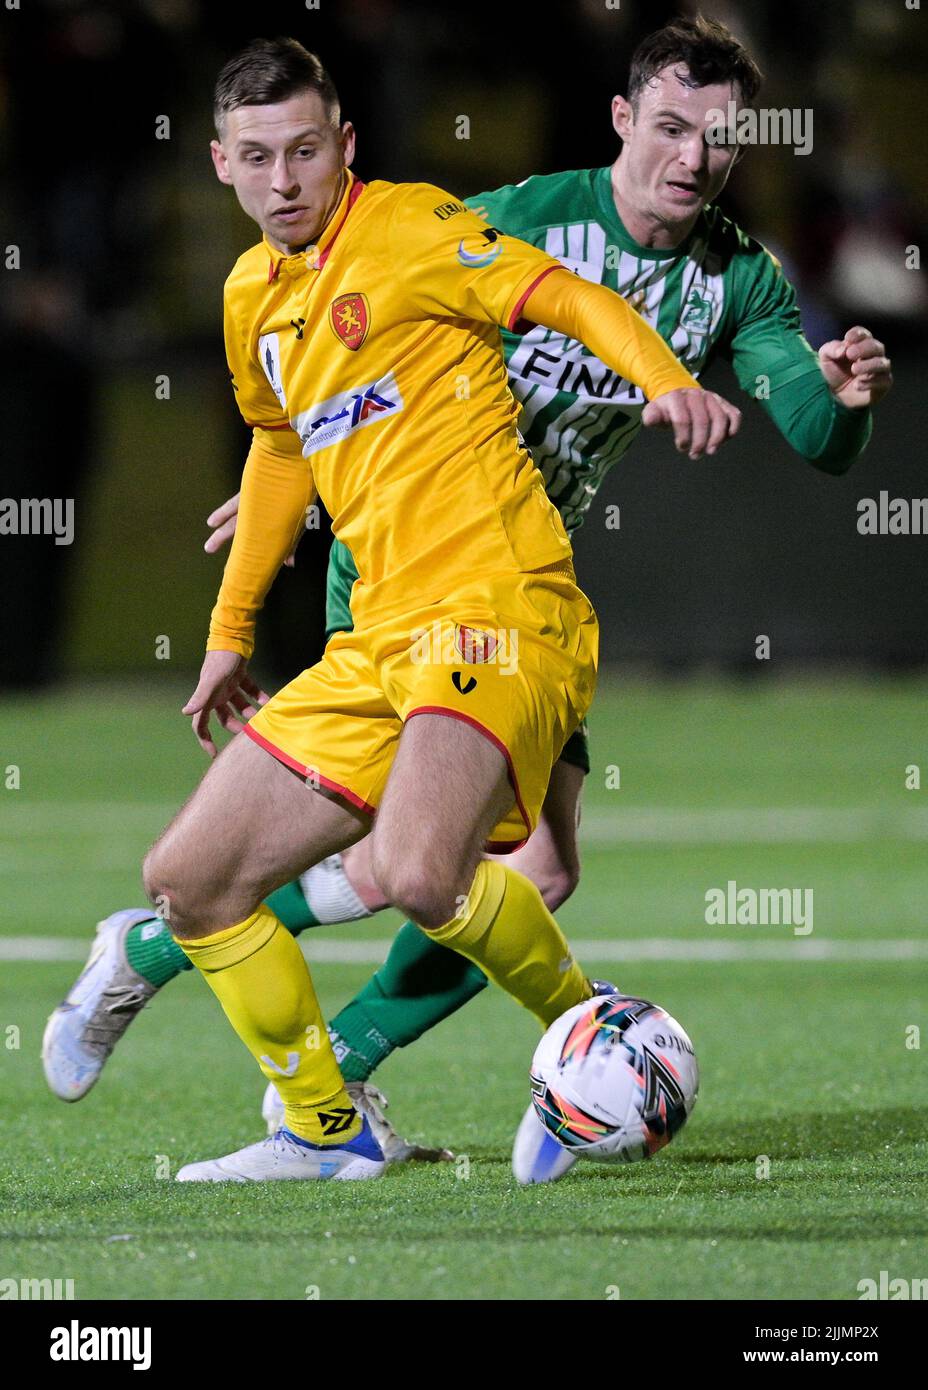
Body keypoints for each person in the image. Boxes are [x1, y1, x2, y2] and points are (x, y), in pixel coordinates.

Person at [44, 17, 890, 1183]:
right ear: (621, 122)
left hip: (505, 583)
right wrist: (296, 508)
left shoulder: (734, 276)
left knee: (497, 869)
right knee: (428, 864)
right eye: (669, 127)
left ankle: (363, 1065)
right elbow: (325, 385)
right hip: (392, 577)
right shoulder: (506, 216)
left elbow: (807, 425)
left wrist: (840, 401)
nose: (692, 156)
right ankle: (300, 1026)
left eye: (720, 139)